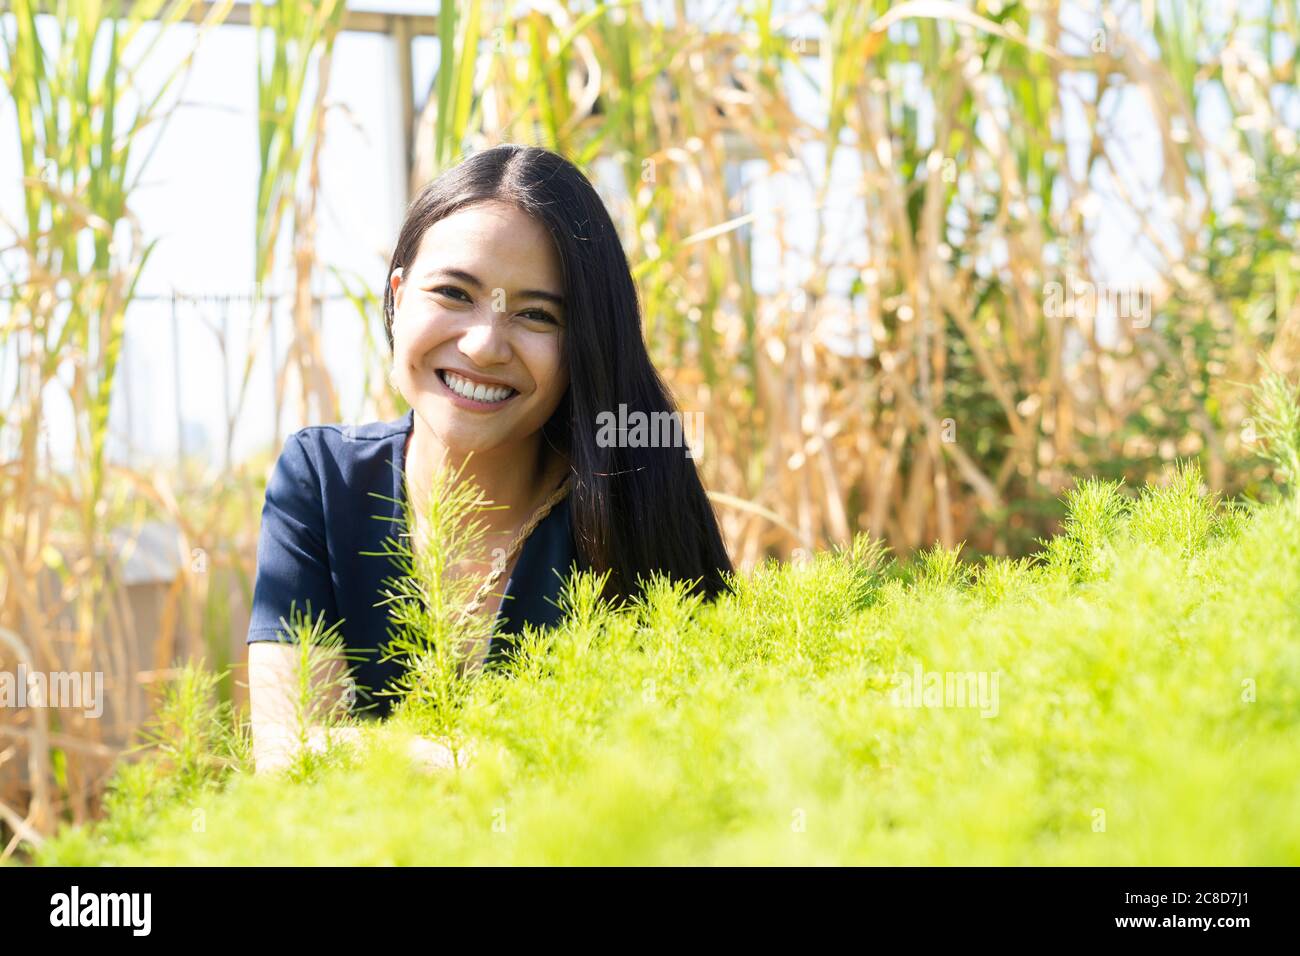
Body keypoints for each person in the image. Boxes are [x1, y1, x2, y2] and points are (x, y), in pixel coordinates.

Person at [246, 143, 733, 773]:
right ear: (398, 297)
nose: (483, 345)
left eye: (536, 314)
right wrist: (494, 766)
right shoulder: (321, 481)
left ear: (585, 342)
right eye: (454, 293)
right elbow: (288, 758)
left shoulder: (635, 491)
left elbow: (690, 765)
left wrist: (376, 756)